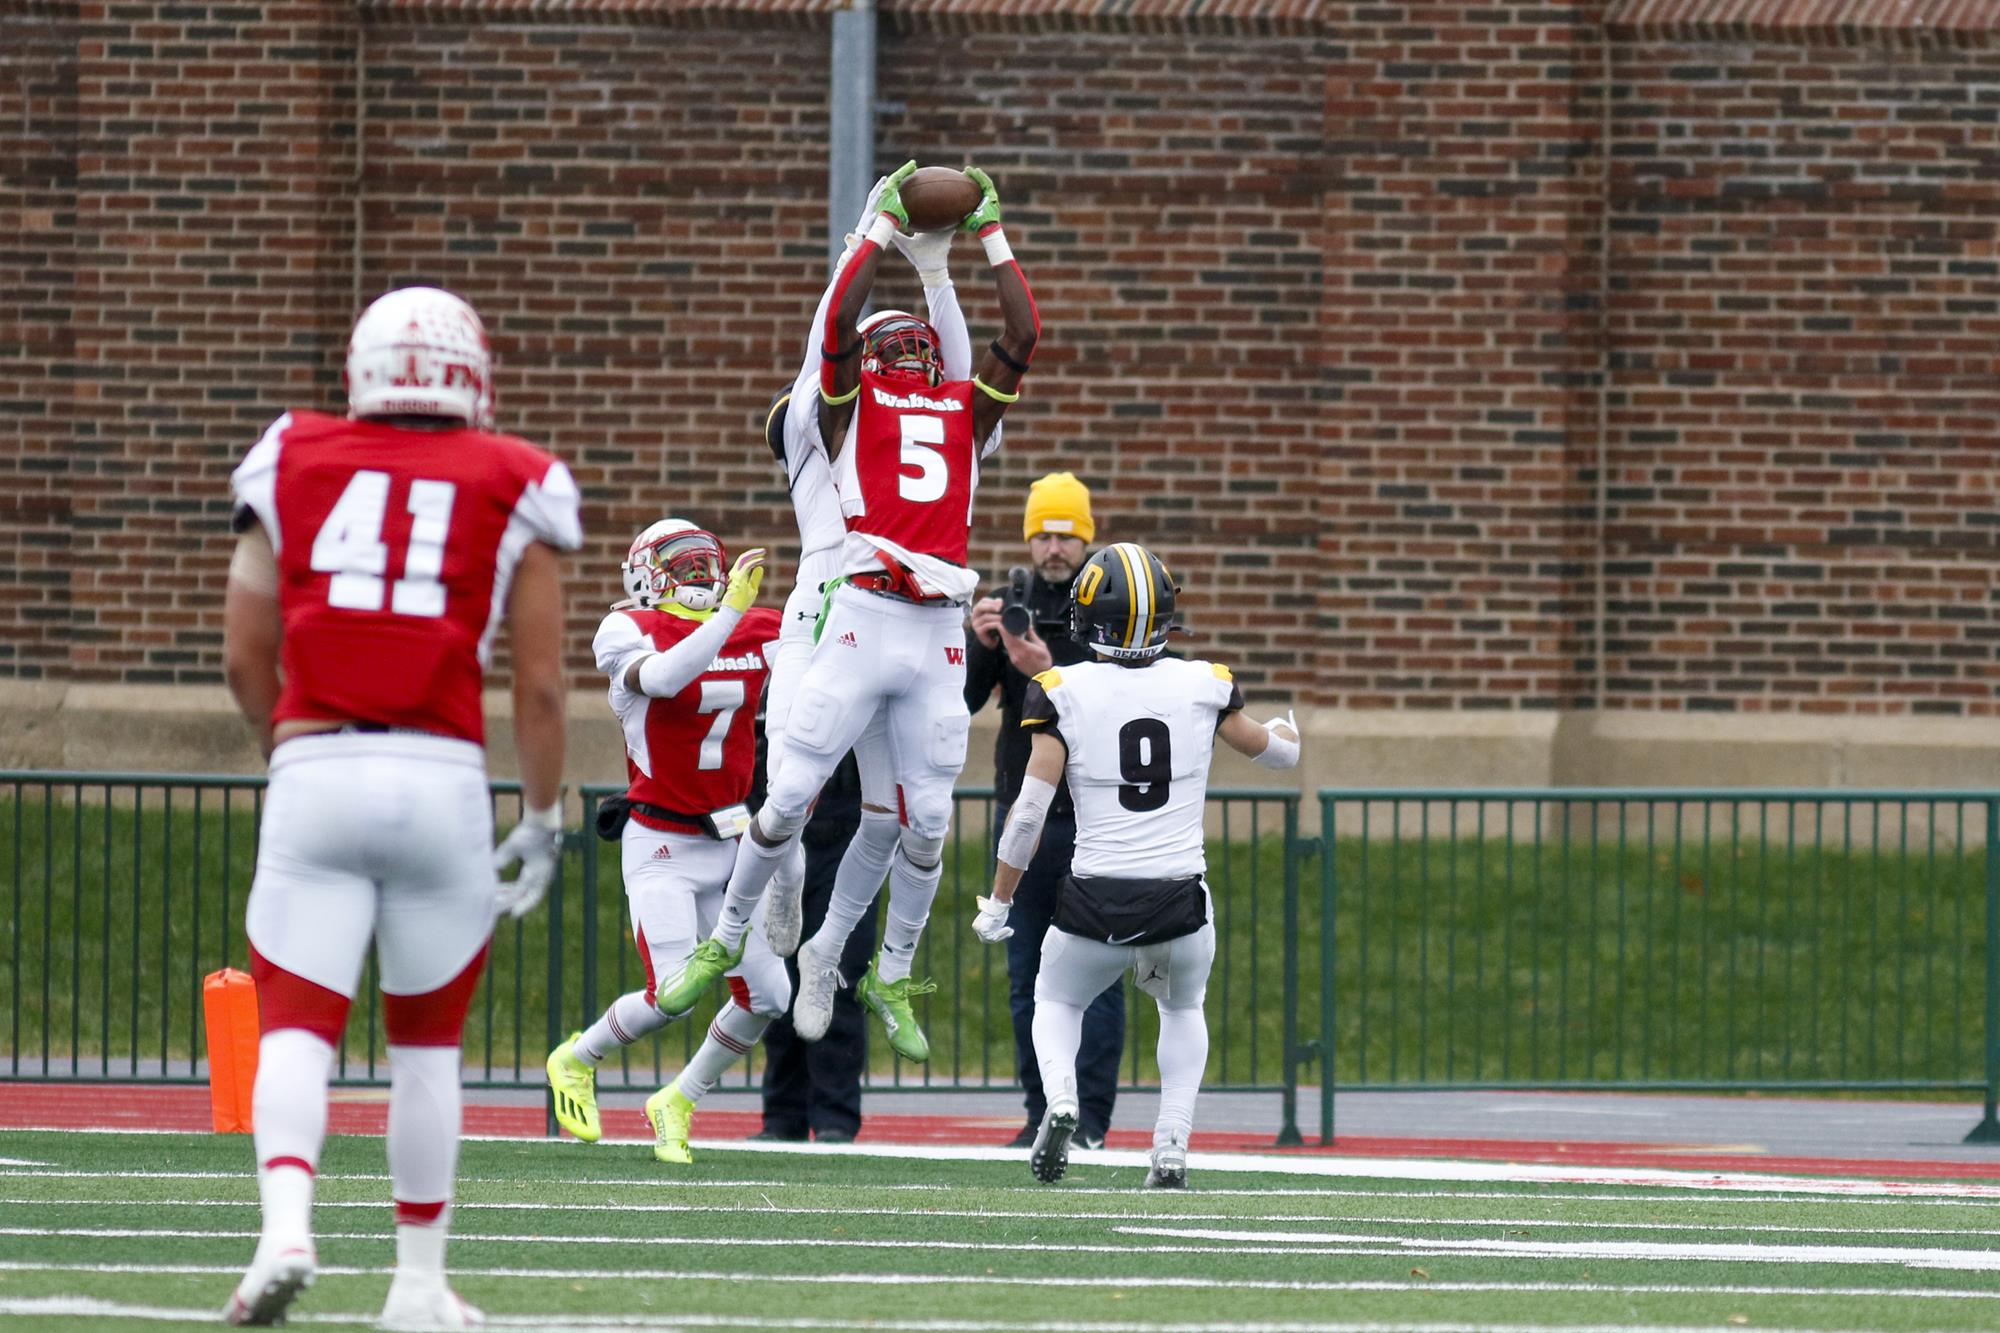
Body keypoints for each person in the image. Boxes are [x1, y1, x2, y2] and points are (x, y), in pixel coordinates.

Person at [220, 285, 582, 1328]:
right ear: (470, 372)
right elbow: (543, 685)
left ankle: (285, 1225)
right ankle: (417, 1281)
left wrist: (285, 747)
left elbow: (247, 656)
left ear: (363, 365)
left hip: (317, 762)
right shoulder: (516, 475)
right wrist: (543, 815)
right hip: (440, 777)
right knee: (424, 1044)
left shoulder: (289, 453)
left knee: (295, 1024)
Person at [658, 160, 1040, 1070]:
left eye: (917, 349)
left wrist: (946, 259)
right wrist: (866, 235)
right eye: (895, 348)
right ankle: (750, 920)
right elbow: (827, 345)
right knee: (789, 793)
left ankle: (843, 954)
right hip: (833, 610)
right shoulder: (821, 424)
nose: (912, 358)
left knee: (911, 817)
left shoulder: (953, 410)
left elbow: (985, 346)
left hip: (926, 615)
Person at [971, 543, 1302, 1190]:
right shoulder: (1205, 682)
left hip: (1095, 898)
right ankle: (1172, 1142)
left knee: (1055, 997)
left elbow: (1029, 812)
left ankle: (1061, 1099)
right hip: (1180, 899)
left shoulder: (1061, 689)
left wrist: (1000, 901)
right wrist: (1290, 732)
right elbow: (1279, 756)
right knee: (1182, 1008)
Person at [543, 519, 789, 1166]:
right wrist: (733, 611)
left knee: (771, 994)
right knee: (673, 993)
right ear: (644, 572)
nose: (700, 575)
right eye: (684, 563)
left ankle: (679, 1098)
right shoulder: (625, 629)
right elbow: (665, 680)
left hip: (729, 836)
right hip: (660, 842)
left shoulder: (758, 624)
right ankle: (577, 1056)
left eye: (707, 562)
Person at [964, 473, 1124, 1151]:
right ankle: (1042, 1110)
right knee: (1027, 973)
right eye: (1044, 533)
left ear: (1086, 537)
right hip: (1024, 815)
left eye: (1066, 534)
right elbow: (966, 700)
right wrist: (979, 641)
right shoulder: (1013, 601)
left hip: (1093, 817)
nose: (1054, 547)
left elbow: (1108, 695)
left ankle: (1089, 1118)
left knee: (1098, 976)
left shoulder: (1113, 605)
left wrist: (1044, 660)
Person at [753, 750, 877, 1143]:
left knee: (836, 978)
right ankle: (782, 1116)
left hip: (847, 831)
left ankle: (834, 1117)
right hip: (781, 825)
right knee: (779, 980)